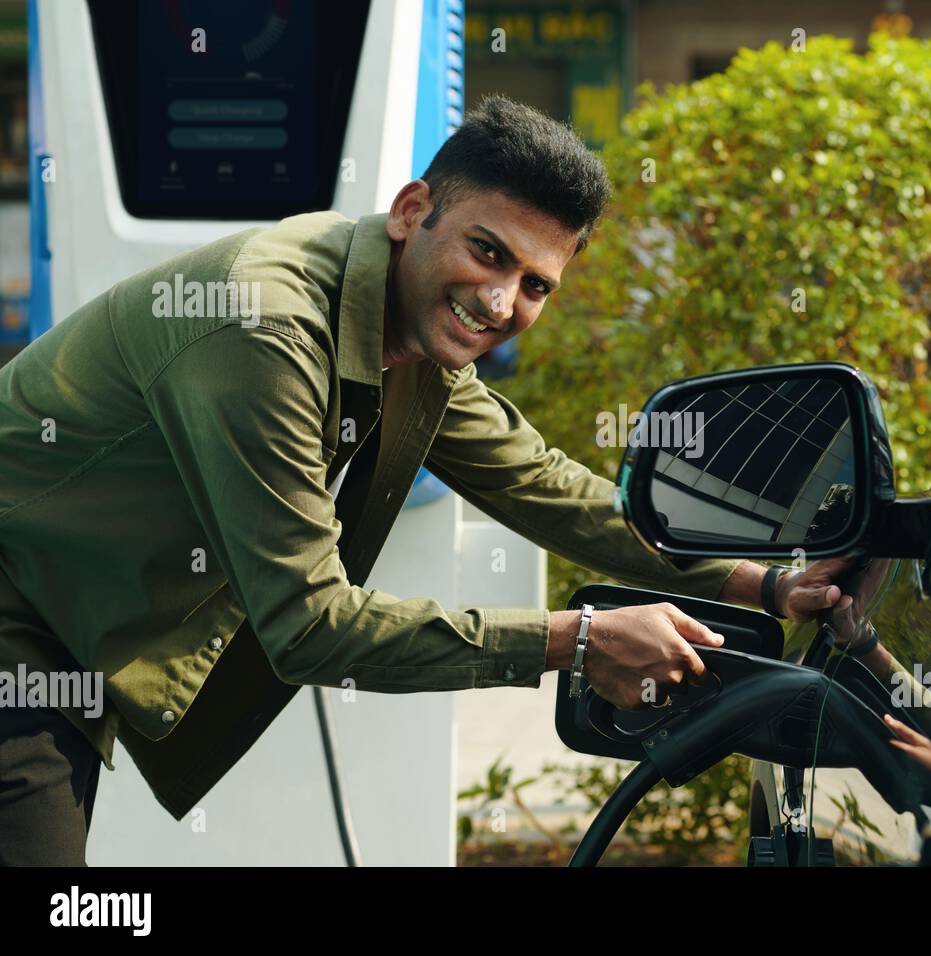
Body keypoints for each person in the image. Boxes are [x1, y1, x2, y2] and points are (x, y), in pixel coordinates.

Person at [0, 95, 851, 865]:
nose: (498, 301)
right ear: (414, 211)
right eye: (488, 251)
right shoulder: (264, 327)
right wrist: (580, 639)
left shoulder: (407, 330)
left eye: (535, 285)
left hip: (61, 631)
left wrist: (765, 585)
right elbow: (309, 624)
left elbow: (543, 485)